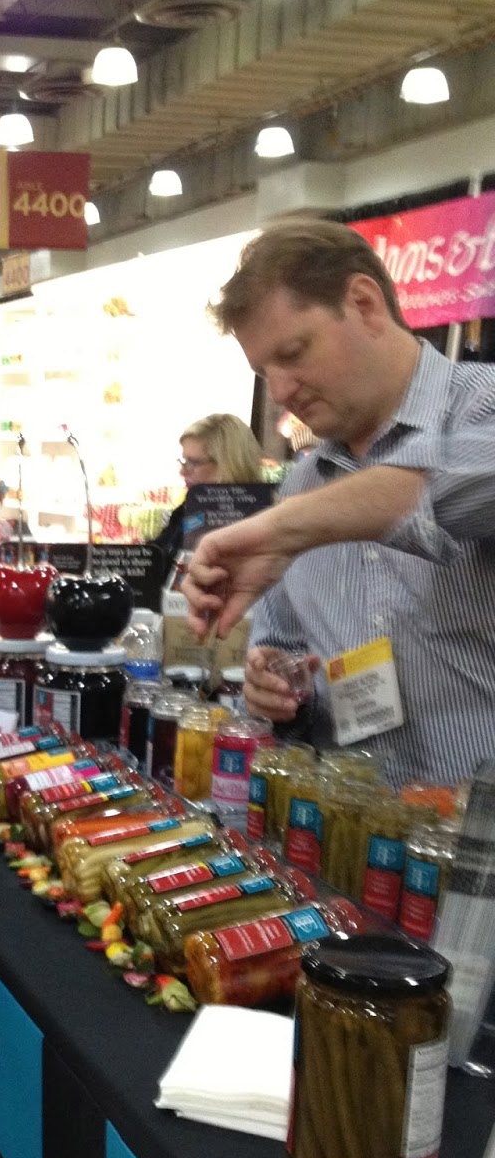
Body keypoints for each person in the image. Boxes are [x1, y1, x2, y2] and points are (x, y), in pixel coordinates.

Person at [182, 216, 495, 786]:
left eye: (294, 352)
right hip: (355, 846)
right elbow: (284, 645)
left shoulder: (484, 410)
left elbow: (433, 489)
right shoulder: (302, 484)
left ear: (364, 302)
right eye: (263, 371)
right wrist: (274, 684)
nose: (279, 391)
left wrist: (283, 530)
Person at [156, 411, 265, 562]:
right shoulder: (187, 509)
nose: (182, 471)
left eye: (193, 463)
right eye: (183, 461)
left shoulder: (261, 521)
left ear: (228, 464)